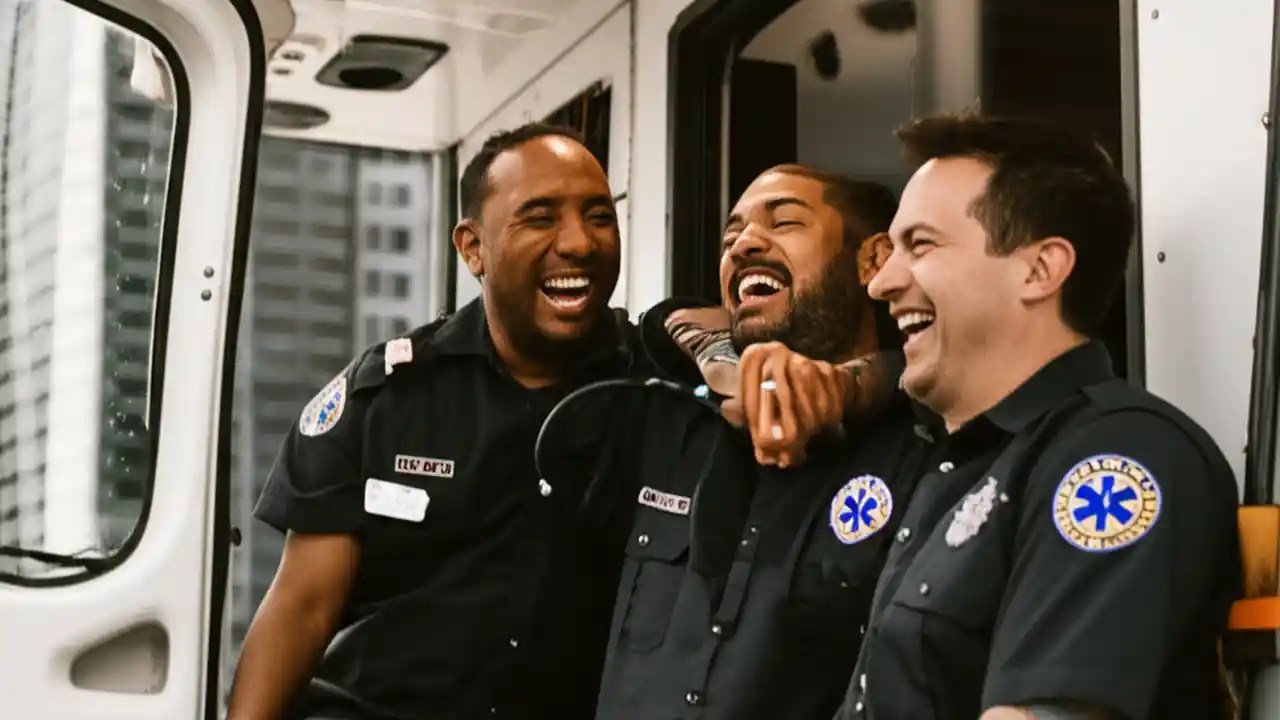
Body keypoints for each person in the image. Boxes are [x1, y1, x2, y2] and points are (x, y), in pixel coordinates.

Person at [227, 122, 648, 720]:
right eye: (540, 217)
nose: (579, 242)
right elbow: (303, 607)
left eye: (600, 216)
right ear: (473, 248)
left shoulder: (655, 392)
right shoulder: (385, 398)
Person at [835, 115, 1241, 719]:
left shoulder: (1119, 454)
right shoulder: (958, 463)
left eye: (920, 245)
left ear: (1040, 269)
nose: (882, 283)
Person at [537, 164, 926, 719]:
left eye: (785, 222)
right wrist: (730, 369)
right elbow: (663, 321)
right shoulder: (668, 415)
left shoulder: (921, 450)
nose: (744, 244)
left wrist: (859, 383)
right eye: (730, 237)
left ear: (874, 259)